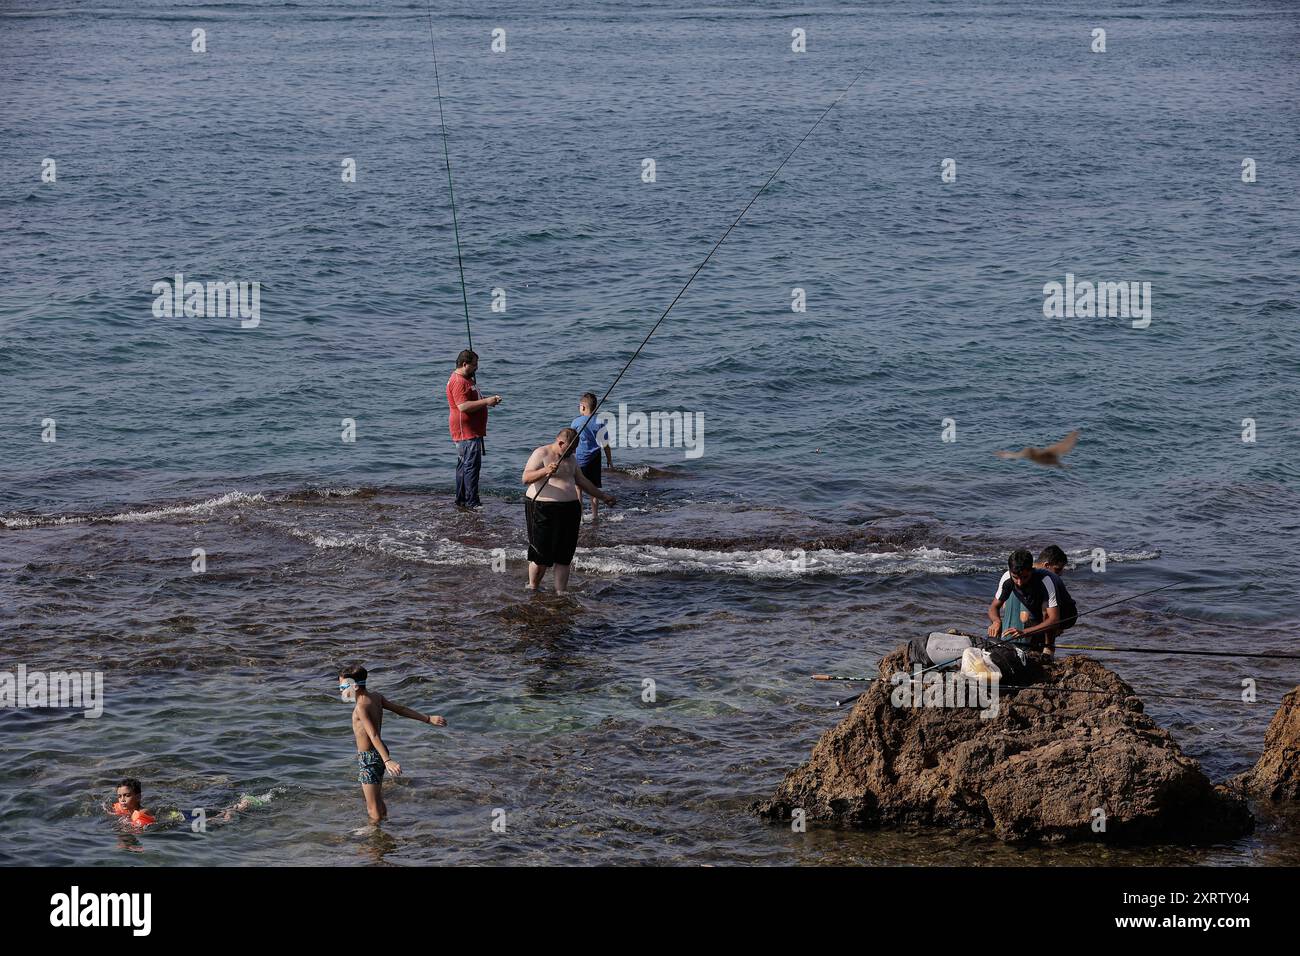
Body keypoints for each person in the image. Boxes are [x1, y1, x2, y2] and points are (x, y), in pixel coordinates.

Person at [338, 666, 446, 823]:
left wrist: (387, 760)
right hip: (378, 755)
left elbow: (373, 735)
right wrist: (427, 718)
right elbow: (400, 709)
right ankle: (384, 826)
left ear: (354, 686)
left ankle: (375, 838)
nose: (340, 691)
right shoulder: (376, 697)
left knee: (372, 806)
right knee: (378, 799)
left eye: (342, 687)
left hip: (369, 758)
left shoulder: (360, 707)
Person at [522, 427, 616, 594]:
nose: (573, 451)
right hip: (542, 508)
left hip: (569, 510)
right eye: (571, 448)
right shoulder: (541, 453)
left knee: (564, 556)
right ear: (560, 443)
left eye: (575, 449)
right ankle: (533, 587)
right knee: (541, 555)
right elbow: (526, 478)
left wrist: (603, 496)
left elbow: (581, 481)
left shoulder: (571, 459)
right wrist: (546, 470)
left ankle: (561, 592)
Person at [446, 349, 502, 508]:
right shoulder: (459, 381)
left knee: (465, 465)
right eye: (474, 365)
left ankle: (462, 500)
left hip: (471, 430)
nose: (477, 368)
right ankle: (472, 502)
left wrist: (488, 401)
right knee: (471, 466)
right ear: (465, 364)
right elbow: (462, 406)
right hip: (466, 431)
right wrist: (486, 402)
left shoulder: (465, 379)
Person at [986, 548, 1063, 656]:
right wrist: (996, 621)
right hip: (1033, 605)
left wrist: (1026, 632)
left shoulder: (1045, 580)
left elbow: (1054, 619)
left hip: (1064, 611)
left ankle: (1049, 649)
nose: (1019, 582)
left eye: (1024, 577)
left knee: (1046, 612)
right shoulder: (1007, 578)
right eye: (1015, 577)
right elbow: (993, 607)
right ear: (1009, 571)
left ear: (1032, 569)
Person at [571, 392, 613, 522]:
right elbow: (606, 444)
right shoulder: (600, 423)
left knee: (578, 488)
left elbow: (571, 442)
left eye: (579, 406)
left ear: (583, 407)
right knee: (593, 489)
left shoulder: (576, 422)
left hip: (580, 459)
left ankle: (580, 516)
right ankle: (595, 515)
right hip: (595, 459)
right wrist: (609, 459)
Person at [1035, 544, 1079, 634]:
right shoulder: (1025, 574)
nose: (1061, 574)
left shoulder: (1052, 580)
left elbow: (1047, 613)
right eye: (1057, 570)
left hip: (1066, 617)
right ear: (1046, 565)